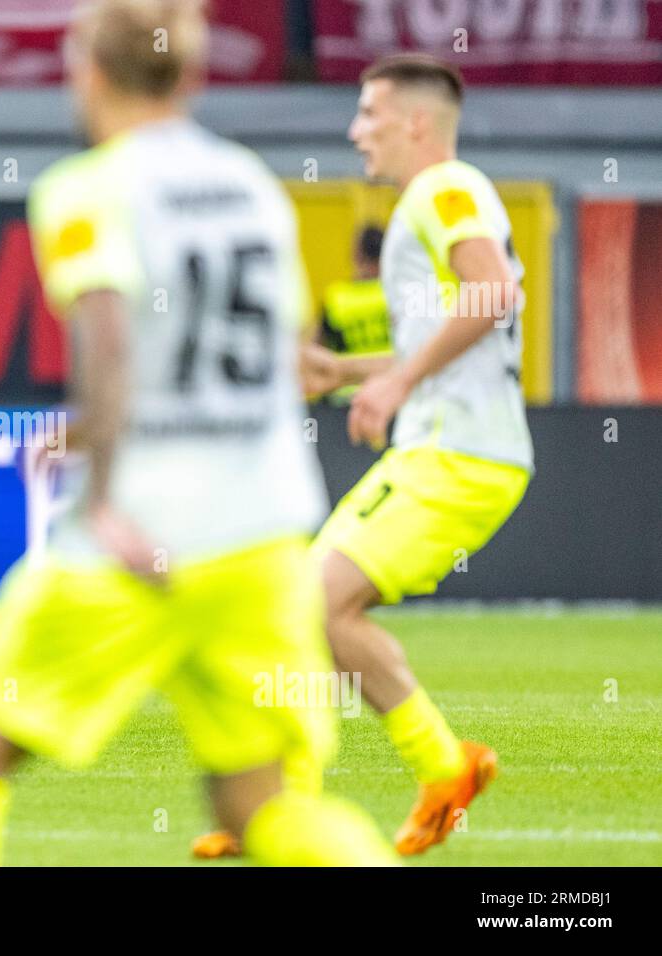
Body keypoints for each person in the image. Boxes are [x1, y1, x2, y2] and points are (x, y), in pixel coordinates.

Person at [0, 0, 394, 867]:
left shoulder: (88, 187)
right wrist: (94, 431)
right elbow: (265, 354)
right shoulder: (252, 185)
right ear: (191, 75)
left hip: (141, 534)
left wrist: (108, 495)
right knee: (261, 799)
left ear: (85, 69)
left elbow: (112, 334)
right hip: (262, 533)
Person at [196, 53, 531, 858]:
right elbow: (453, 334)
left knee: (313, 606)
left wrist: (395, 384)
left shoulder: (441, 188)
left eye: (369, 115)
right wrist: (349, 373)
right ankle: (284, 814)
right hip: (449, 449)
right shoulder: (442, 198)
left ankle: (439, 766)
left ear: (416, 123)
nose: (355, 133)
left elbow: (492, 294)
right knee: (304, 614)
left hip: (458, 454)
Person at [316, 225, 392, 403]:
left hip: (345, 401)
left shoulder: (338, 298)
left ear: (357, 255)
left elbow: (316, 349)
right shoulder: (398, 296)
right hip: (391, 395)